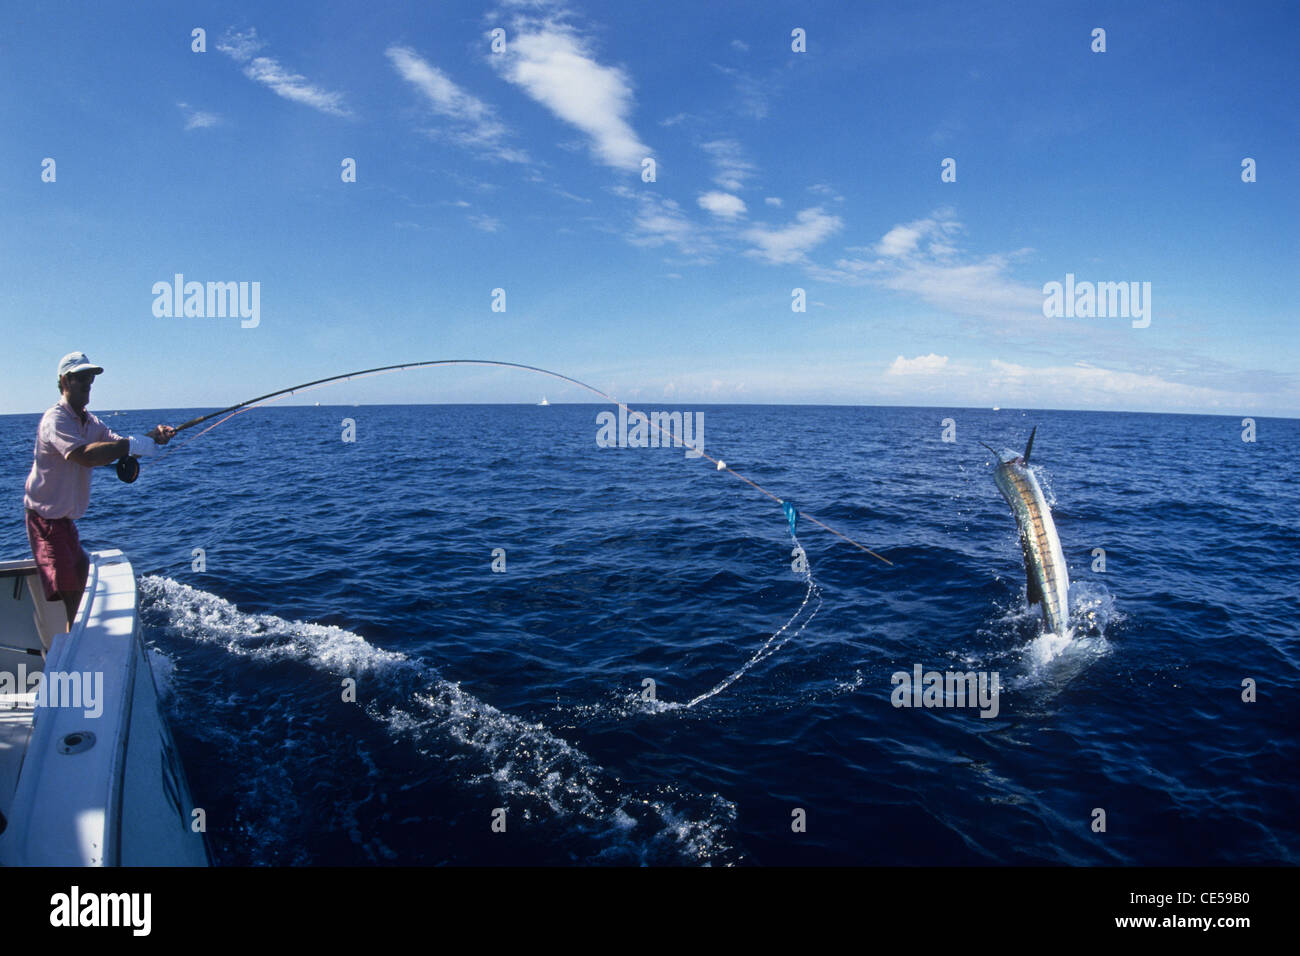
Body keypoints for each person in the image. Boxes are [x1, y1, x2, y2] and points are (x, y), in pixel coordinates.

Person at [22, 352, 175, 629]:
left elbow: (119, 447)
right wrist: (132, 445)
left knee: (81, 579)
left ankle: (77, 637)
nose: (88, 383)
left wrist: (153, 437)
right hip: (45, 521)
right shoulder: (55, 419)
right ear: (64, 381)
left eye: (90, 377)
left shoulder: (91, 423)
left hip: (65, 521)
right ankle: (75, 659)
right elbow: (86, 456)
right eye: (81, 377)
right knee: (72, 596)